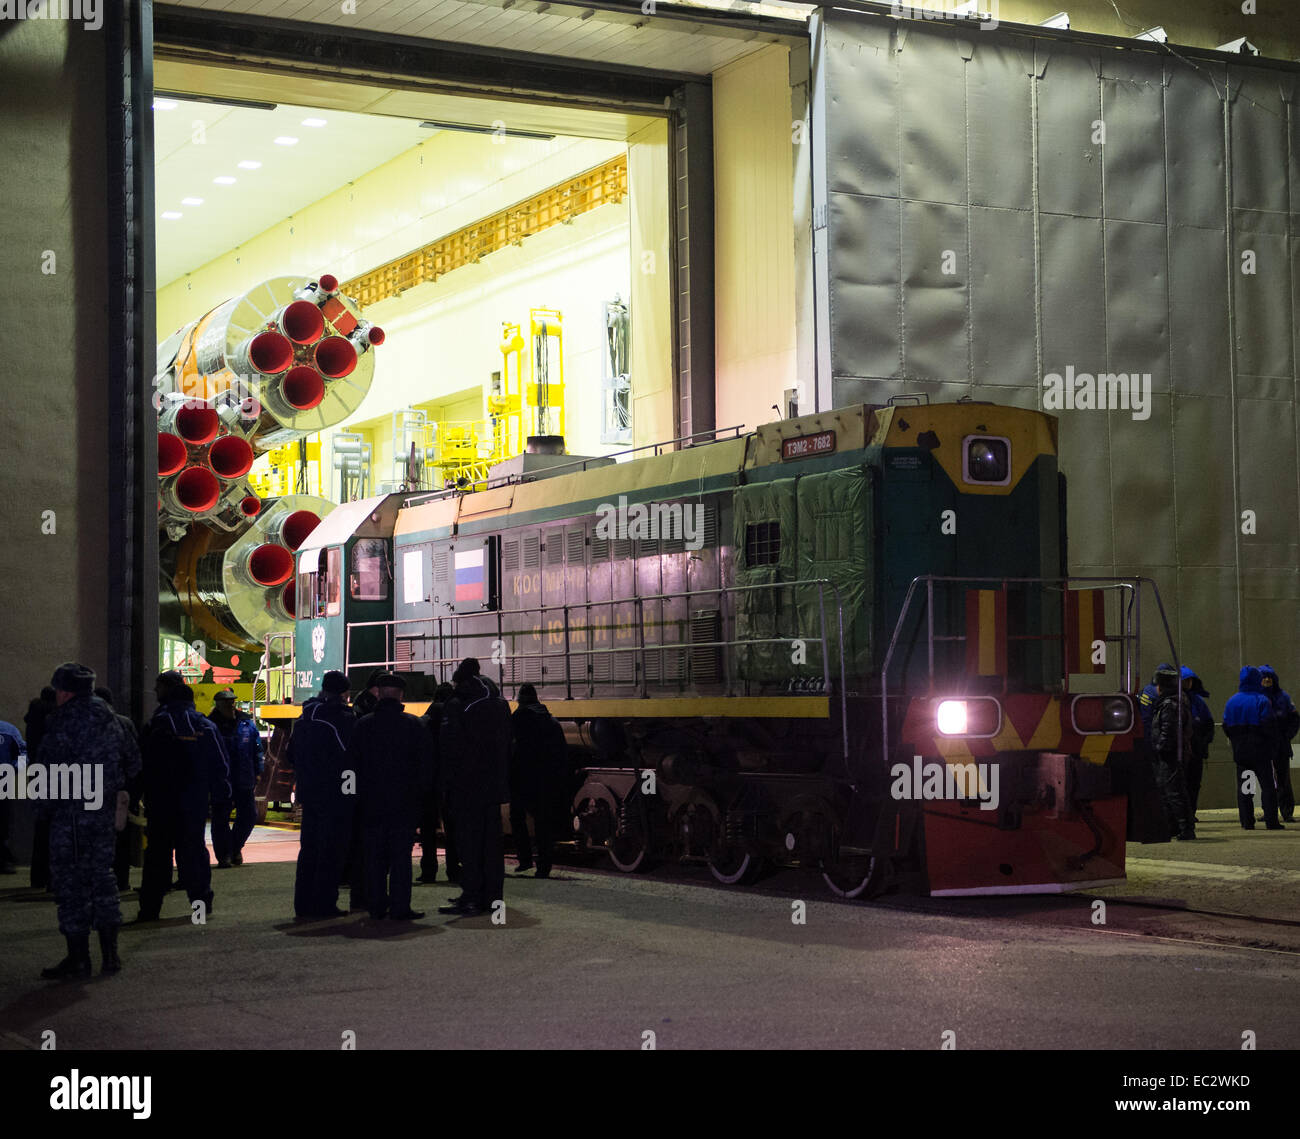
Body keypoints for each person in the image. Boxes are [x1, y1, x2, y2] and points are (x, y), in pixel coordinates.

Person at [37, 664, 141, 979]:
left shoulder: (61, 722)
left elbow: (46, 773)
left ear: (65, 691)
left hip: (70, 818)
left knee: (71, 887)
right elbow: (135, 765)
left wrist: (42, 810)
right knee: (103, 880)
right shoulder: (117, 722)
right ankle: (111, 956)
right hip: (104, 817)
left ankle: (79, 958)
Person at [137, 675, 231, 921]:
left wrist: (139, 795)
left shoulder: (158, 723)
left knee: (158, 855)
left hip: (161, 803)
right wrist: (219, 794)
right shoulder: (204, 726)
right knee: (194, 855)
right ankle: (200, 908)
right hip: (193, 803)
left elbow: (141, 763)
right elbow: (220, 765)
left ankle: (149, 911)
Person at [348, 673, 430, 920]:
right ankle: (400, 907)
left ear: (379, 693)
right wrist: (421, 802)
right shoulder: (415, 725)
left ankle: (375, 906)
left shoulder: (363, 726)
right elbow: (425, 768)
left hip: (370, 805)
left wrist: (352, 799)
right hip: (403, 805)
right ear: (402, 695)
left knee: (373, 858)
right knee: (401, 859)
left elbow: (350, 767)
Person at [438, 658, 511, 917]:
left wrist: (446, 785)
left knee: (469, 846)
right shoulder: (500, 704)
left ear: (458, 681)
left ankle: (471, 897)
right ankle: (493, 898)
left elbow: (450, 749)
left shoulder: (458, 706)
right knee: (492, 846)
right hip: (493, 788)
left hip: (466, 789)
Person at [286, 671, 357, 919]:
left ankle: (303, 906)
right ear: (344, 693)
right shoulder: (340, 719)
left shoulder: (305, 717)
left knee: (309, 850)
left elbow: (290, 755)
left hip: (309, 793)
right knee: (331, 851)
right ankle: (325, 905)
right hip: (334, 795)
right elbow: (351, 757)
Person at [509, 684, 568, 878]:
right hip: (546, 779)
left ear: (520, 699)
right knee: (543, 822)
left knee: (517, 818)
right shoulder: (550, 720)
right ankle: (544, 865)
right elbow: (561, 752)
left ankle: (525, 859)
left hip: (523, 777)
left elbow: (511, 747)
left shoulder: (519, 718)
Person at [208, 689, 264, 868]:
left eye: (232, 701)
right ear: (218, 705)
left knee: (249, 815)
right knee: (220, 818)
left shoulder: (246, 723)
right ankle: (224, 855)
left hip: (244, 777)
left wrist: (258, 770)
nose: (231, 705)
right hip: (221, 779)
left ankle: (234, 847)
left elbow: (257, 748)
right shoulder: (210, 725)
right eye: (227, 702)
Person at [1223, 666, 1283, 830]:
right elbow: (1268, 725)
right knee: (1268, 787)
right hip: (1261, 753)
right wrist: (1271, 746)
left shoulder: (1232, 701)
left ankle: (1247, 821)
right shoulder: (1262, 700)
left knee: (1246, 789)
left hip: (1242, 753)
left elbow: (1226, 725)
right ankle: (1271, 821)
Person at [95, 687, 140, 892]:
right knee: (120, 838)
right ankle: (121, 881)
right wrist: (135, 792)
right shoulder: (125, 723)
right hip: (119, 790)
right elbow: (135, 760)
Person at [1148, 665, 1195, 840]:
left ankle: (1184, 828)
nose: (1156, 688)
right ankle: (1176, 827)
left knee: (1174, 792)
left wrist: (1160, 747)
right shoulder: (1176, 701)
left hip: (1170, 755)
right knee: (1171, 791)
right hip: (1173, 753)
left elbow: (1168, 730)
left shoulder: (1169, 704)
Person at [417, 682, 457, 884]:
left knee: (427, 830)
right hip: (449, 781)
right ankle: (454, 870)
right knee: (453, 828)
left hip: (427, 782)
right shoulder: (454, 718)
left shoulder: (424, 719)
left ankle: (429, 870)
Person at [24, 685, 57, 889]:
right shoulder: (54, 718)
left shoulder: (33, 717)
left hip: (37, 773)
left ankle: (38, 876)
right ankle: (52, 876)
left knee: (41, 825)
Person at [1258, 666, 1298, 824]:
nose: (1267, 680)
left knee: (1283, 780)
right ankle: (1269, 811)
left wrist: (1287, 736)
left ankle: (1287, 812)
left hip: (1281, 746)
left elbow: (1295, 720)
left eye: (1270, 677)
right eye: (1264, 677)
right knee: (1267, 781)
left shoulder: (1284, 697)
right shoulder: (1256, 697)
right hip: (1263, 746)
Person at [1179, 667, 1215, 820]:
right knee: (1182, 784)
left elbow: (1209, 724)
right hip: (1181, 752)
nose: (1188, 683)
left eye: (1190, 680)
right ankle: (1183, 815)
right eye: (1185, 680)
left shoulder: (1198, 702)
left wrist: (1203, 743)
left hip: (1196, 751)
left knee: (1193, 784)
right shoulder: (1176, 700)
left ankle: (1190, 813)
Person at [0, 718, 22, 874]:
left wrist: (15, 769)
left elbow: (22, 753)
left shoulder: (8, 730)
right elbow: (23, 753)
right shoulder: (9, 730)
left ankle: (3, 860)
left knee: (3, 822)